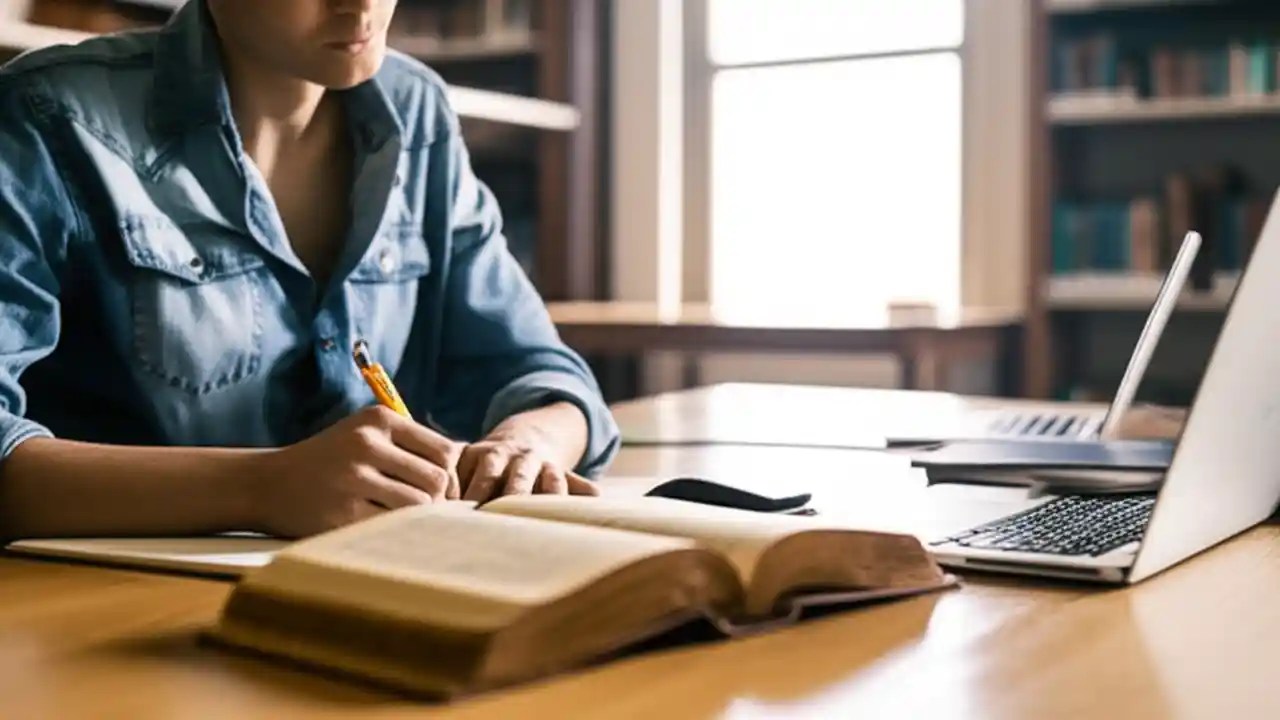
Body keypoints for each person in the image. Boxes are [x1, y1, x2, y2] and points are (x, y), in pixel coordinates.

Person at [0, 0, 619, 540]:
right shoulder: (49, 118)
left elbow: (540, 373)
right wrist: (261, 488)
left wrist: (527, 445)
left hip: (373, 584)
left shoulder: (416, 113)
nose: (360, 5)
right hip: (97, 619)